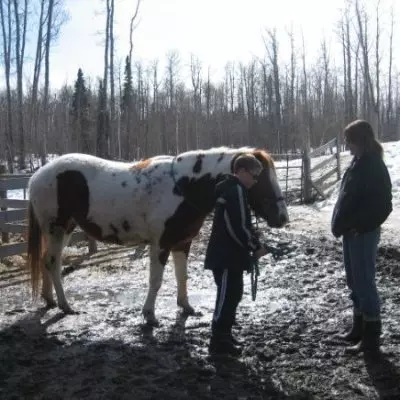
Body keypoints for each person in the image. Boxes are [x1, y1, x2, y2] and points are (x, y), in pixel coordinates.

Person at [331, 119, 392, 356]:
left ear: (362, 141)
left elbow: (383, 205)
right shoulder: (358, 163)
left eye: (350, 141)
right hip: (351, 231)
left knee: (365, 282)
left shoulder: (374, 166)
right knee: (354, 281)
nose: (348, 147)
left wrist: (361, 225)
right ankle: (358, 329)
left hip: (363, 232)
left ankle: (371, 337)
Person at [205, 154, 268, 356]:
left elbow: (236, 223)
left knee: (234, 294)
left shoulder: (233, 189)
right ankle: (219, 338)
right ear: (241, 171)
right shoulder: (237, 191)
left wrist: (252, 236)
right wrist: (255, 246)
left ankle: (225, 333)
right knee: (227, 295)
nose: (255, 181)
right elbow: (237, 227)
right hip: (226, 255)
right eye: (254, 176)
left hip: (230, 255)